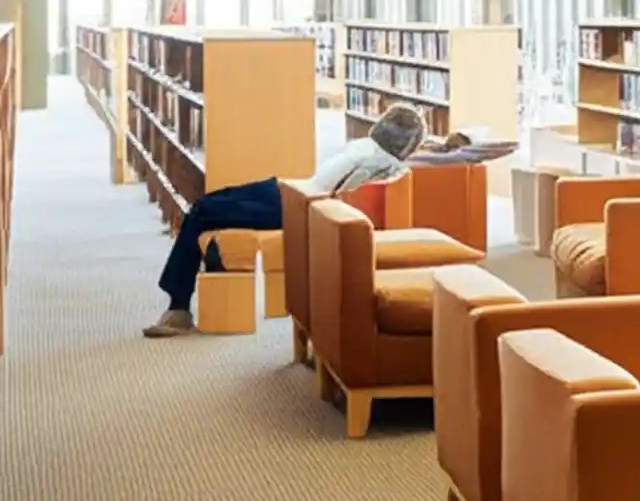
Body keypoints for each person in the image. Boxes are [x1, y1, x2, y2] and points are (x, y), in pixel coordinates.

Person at [143, 103, 517, 338]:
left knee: (204, 210)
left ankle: (179, 305)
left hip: (292, 204)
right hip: (286, 190)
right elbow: (432, 150)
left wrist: (461, 148)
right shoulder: (377, 153)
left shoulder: (382, 160)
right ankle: (203, 276)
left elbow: (437, 158)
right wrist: (447, 144)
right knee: (205, 206)